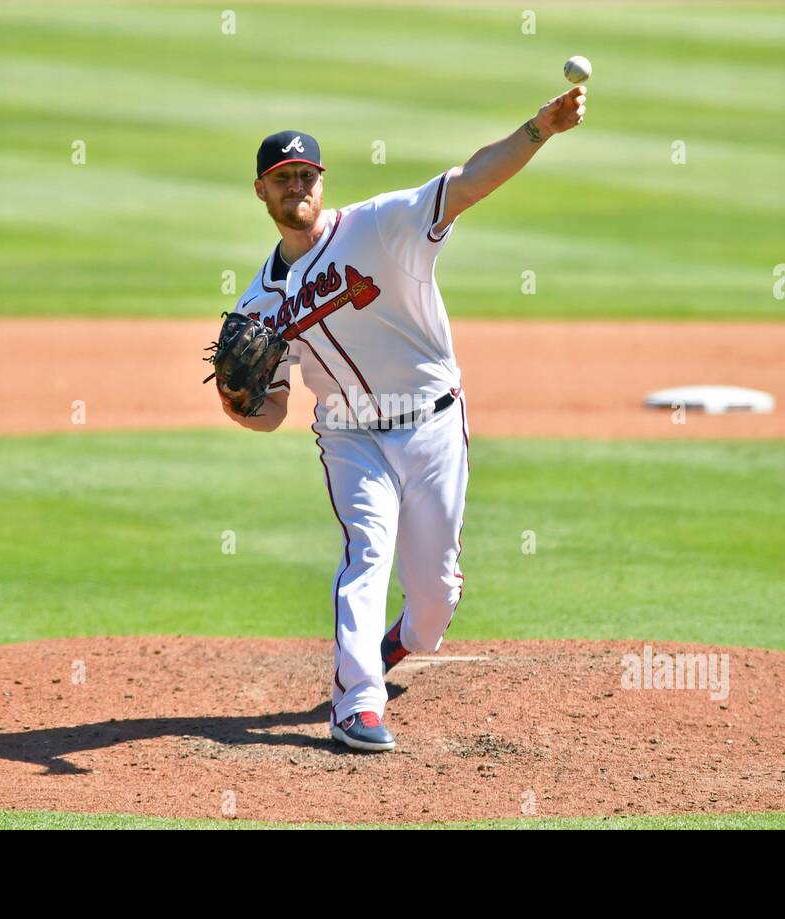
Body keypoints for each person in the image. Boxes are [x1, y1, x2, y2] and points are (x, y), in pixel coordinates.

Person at [219, 85, 586, 751]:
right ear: (261, 191)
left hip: (433, 425)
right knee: (366, 553)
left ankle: (402, 640)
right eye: (283, 178)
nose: (297, 187)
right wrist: (235, 403)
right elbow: (271, 411)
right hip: (349, 435)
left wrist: (539, 130)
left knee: (435, 603)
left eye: (306, 175)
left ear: (322, 182)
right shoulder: (257, 307)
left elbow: (470, 182)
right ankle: (357, 703)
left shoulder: (381, 225)